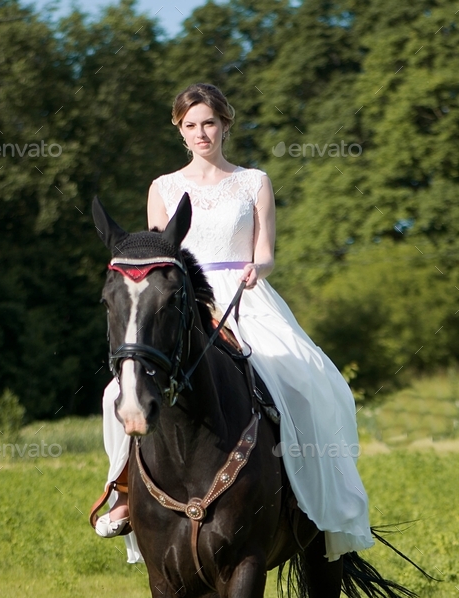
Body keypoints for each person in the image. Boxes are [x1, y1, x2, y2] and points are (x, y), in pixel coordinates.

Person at [95, 82, 374, 564]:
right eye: (190, 125)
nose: (201, 133)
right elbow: (160, 260)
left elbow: (266, 252)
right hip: (184, 302)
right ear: (180, 131)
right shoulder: (163, 188)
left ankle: (313, 500)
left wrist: (256, 268)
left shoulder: (254, 181)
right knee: (115, 393)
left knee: (312, 382)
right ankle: (122, 490)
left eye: (209, 123)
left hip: (246, 295)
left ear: (225, 125)